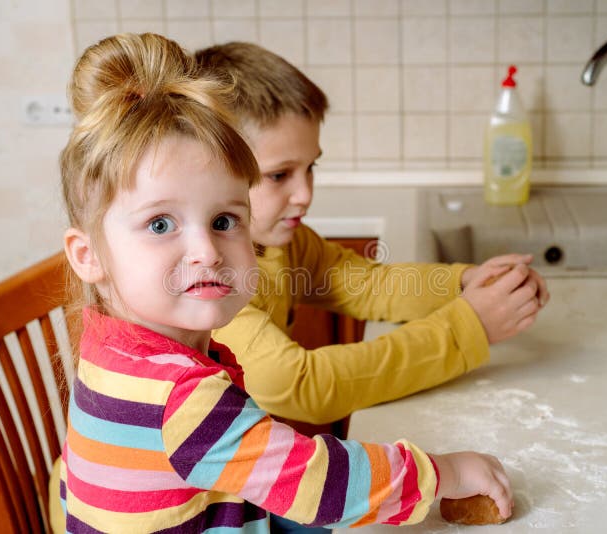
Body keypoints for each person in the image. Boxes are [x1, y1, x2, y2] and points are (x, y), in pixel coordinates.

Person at [53, 32, 513, 533]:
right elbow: (316, 481)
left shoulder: (118, 347)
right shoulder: (181, 398)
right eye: (161, 224)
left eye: (225, 221)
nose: (207, 250)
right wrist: (442, 472)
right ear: (89, 255)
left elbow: (364, 282)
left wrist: (463, 282)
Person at [194, 42, 550, 428]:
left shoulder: (280, 244)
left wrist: (464, 283)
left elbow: (365, 283)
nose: (305, 194)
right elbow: (301, 385)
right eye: (280, 175)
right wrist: (470, 328)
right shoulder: (207, 280)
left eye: (310, 168)